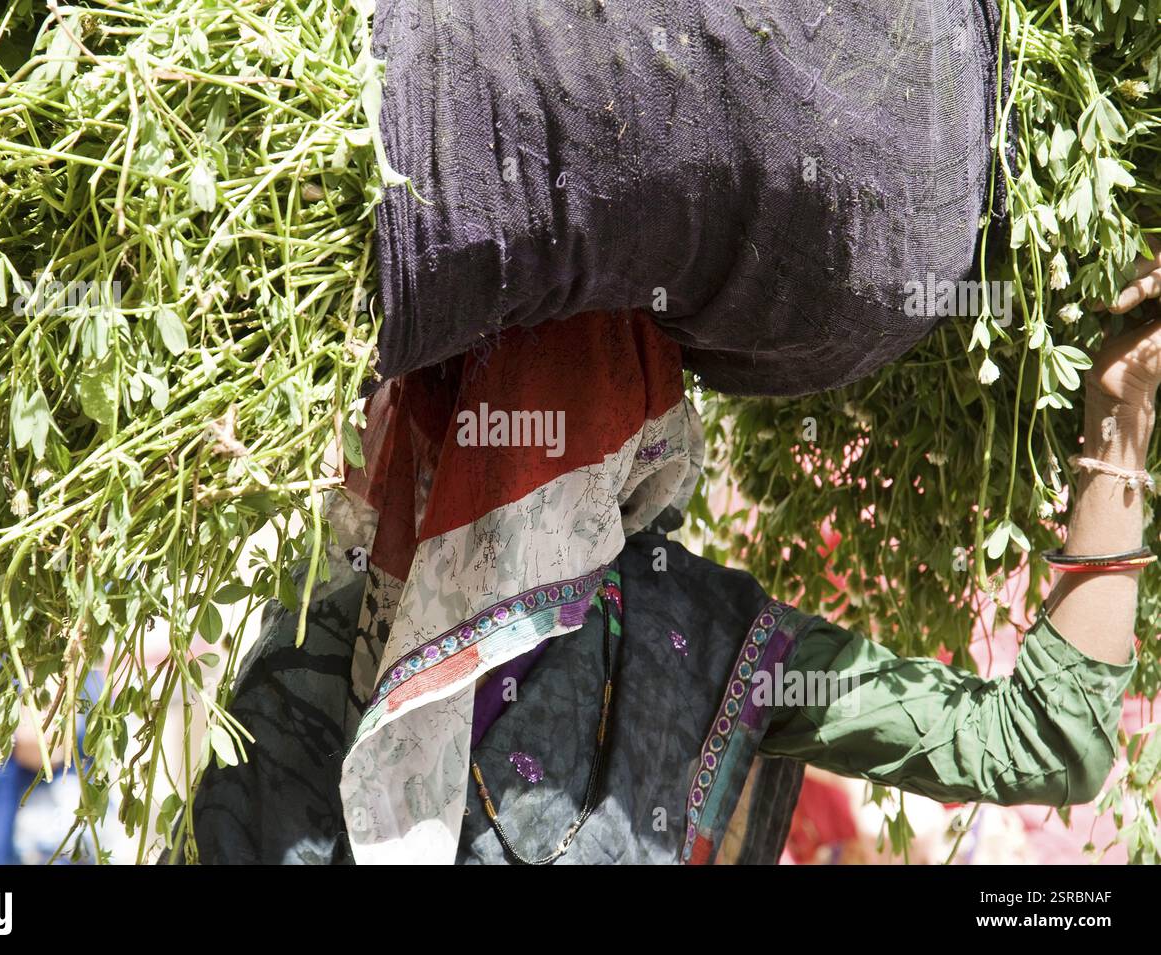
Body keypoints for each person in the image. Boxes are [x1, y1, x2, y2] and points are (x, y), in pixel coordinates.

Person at [176, 250, 1161, 865]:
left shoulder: (700, 639)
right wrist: (1116, 423)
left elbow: (1041, 742)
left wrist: (1121, 419)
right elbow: (1045, 741)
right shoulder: (317, 669)